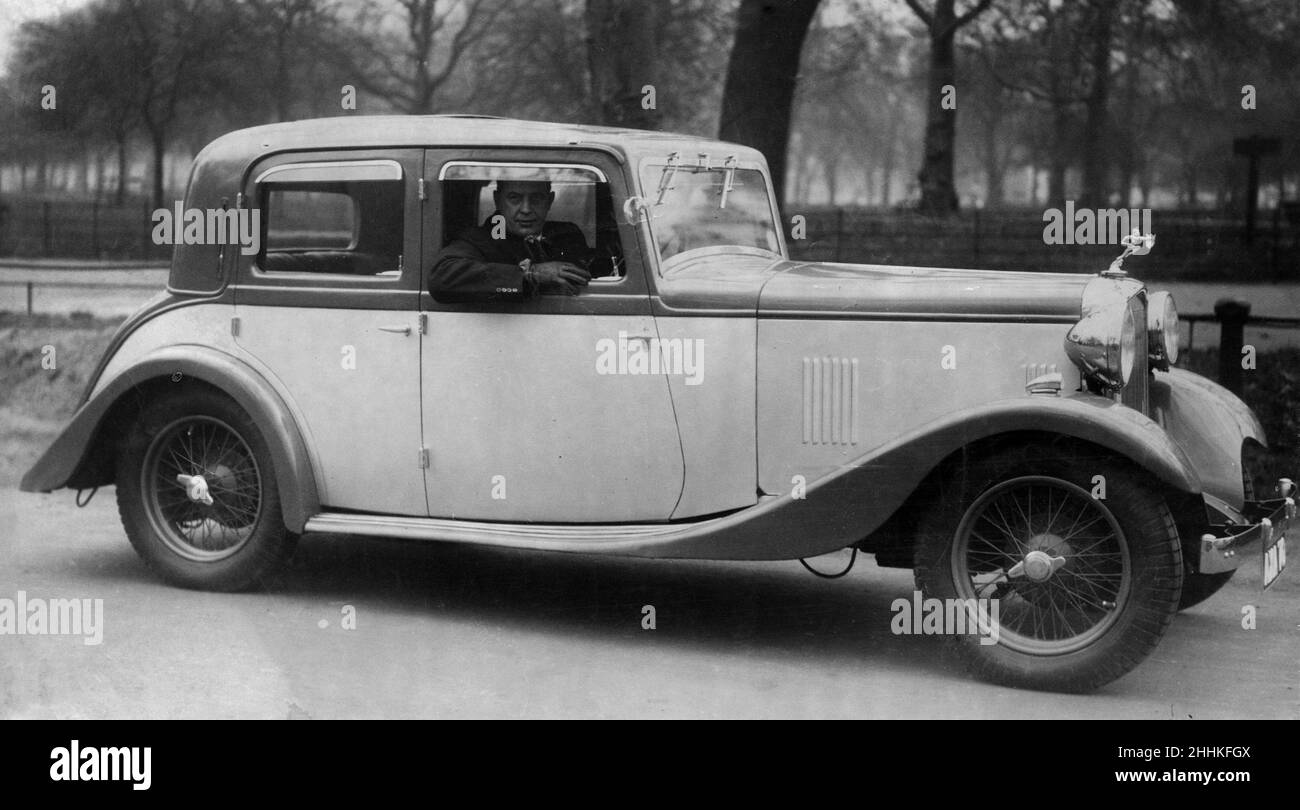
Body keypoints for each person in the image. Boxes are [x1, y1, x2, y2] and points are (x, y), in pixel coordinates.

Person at [429, 180, 598, 303]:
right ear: (497, 200)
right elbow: (441, 277)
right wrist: (530, 274)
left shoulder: (567, 235)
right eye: (514, 198)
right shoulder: (482, 238)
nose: (526, 209)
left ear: (550, 200)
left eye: (536, 198)